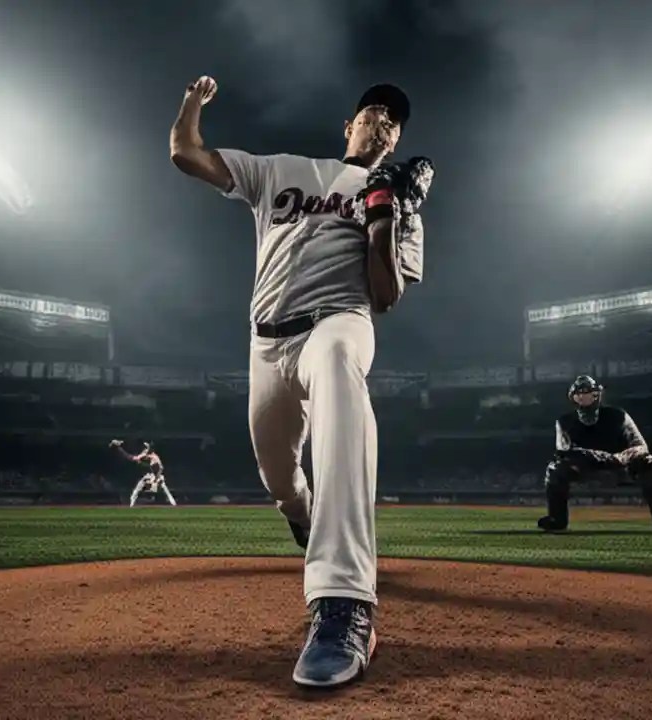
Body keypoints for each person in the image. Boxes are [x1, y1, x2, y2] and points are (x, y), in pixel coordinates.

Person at [168, 75, 433, 689]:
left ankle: (344, 601)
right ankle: (303, 515)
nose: (385, 124)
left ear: (396, 142)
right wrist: (192, 103)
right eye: (374, 112)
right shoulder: (284, 170)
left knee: (342, 367)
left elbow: (386, 296)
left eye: (395, 123)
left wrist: (386, 218)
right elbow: (186, 153)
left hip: (339, 322)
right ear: (349, 125)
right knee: (278, 476)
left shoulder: (399, 201)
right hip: (266, 342)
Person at [539, 375, 652, 533]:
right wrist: (603, 457)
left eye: (587, 392)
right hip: (583, 466)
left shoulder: (618, 416)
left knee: (649, 465)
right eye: (579, 393)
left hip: (621, 464)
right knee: (555, 469)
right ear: (573, 397)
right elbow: (563, 451)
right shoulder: (564, 421)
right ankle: (557, 519)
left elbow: (641, 446)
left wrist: (622, 458)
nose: (583, 396)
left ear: (597, 394)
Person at [111, 440, 176, 507]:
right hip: (148, 475)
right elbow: (132, 458)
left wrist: (156, 479)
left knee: (165, 490)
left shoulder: (155, 457)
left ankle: (174, 505)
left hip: (156, 476)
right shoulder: (145, 454)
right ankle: (131, 506)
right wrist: (119, 449)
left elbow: (160, 468)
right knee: (136, 491)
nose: (145, 449)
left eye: (147, 447)